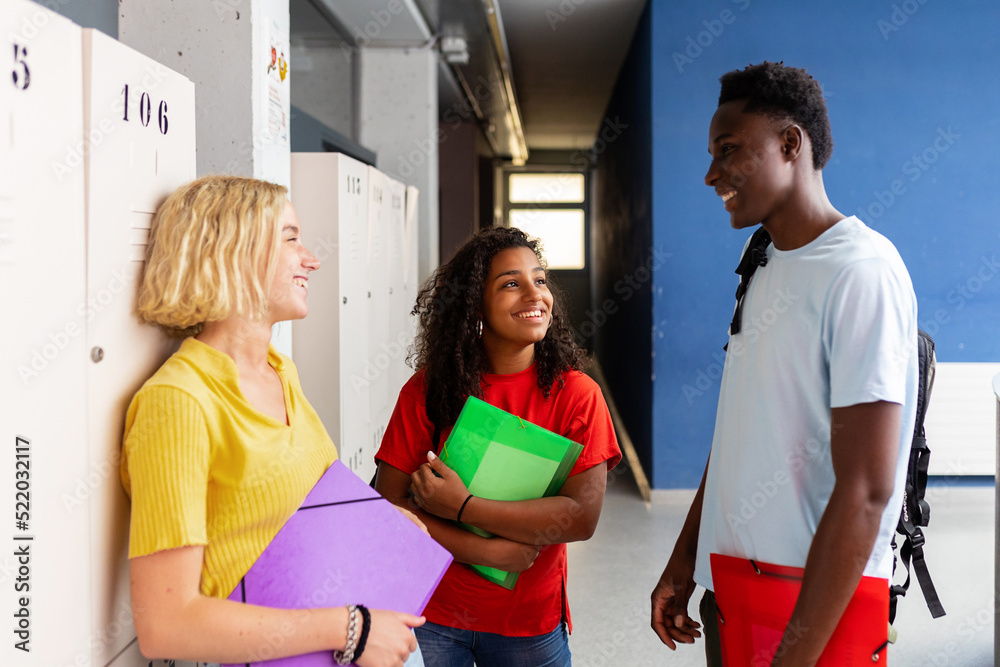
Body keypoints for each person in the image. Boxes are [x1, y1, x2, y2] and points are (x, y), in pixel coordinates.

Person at [649, 61, 918, 666]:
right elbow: (738, 430)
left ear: (790, 144)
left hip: (815, 603)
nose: (711, 173)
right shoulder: (762, 261)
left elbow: (868, 491)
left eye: (728, 150)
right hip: (735, 586)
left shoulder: (861, 272)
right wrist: (686, 559)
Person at [121, 175, 425, 666]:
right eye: (291, 238)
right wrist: (352, 627)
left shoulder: (281, 372)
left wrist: (389, 525)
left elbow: (304, 511)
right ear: (231, 250)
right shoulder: (179, 402)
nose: (312, 258)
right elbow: (167, 624)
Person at [374, 226, 622, 666]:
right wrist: (487, 550)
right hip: (430, 615)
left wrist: (463, 505)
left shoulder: (577, 395)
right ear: (475, 304)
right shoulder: (428, 390)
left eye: (540, 280)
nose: (534, 294)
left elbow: (580, 517)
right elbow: (390, 507)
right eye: (511, 283)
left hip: (527, 624)